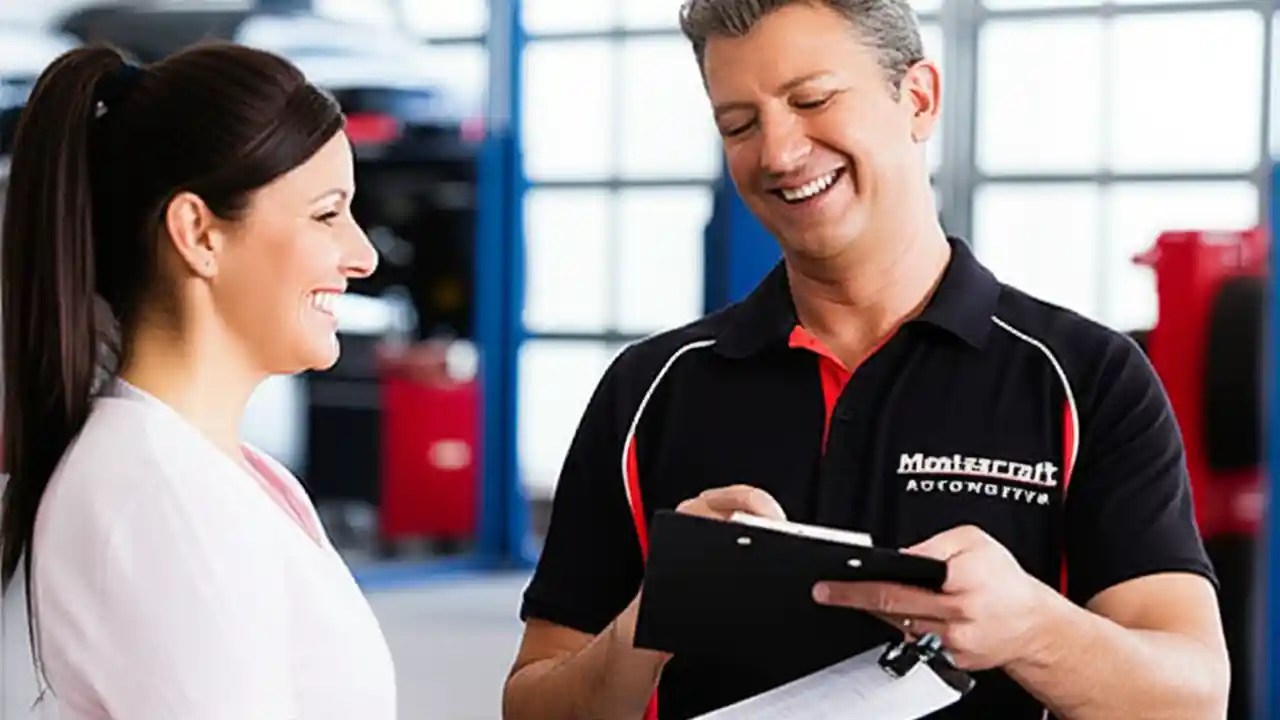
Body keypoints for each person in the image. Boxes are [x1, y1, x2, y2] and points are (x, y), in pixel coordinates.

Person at [503, 1, 1230, 718]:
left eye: (812, 99)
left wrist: (1032, 627)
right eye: (740, 124)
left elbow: (1192, 698)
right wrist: (654, 613)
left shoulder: (1085, 380)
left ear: (917, 99)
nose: (780, 154)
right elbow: (533, 705)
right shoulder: (651, 389)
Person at [0, 43, 396, 719]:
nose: (363, 255)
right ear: (198, 234)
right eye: (328, 213)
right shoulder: (154, 498)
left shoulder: (227, 476)